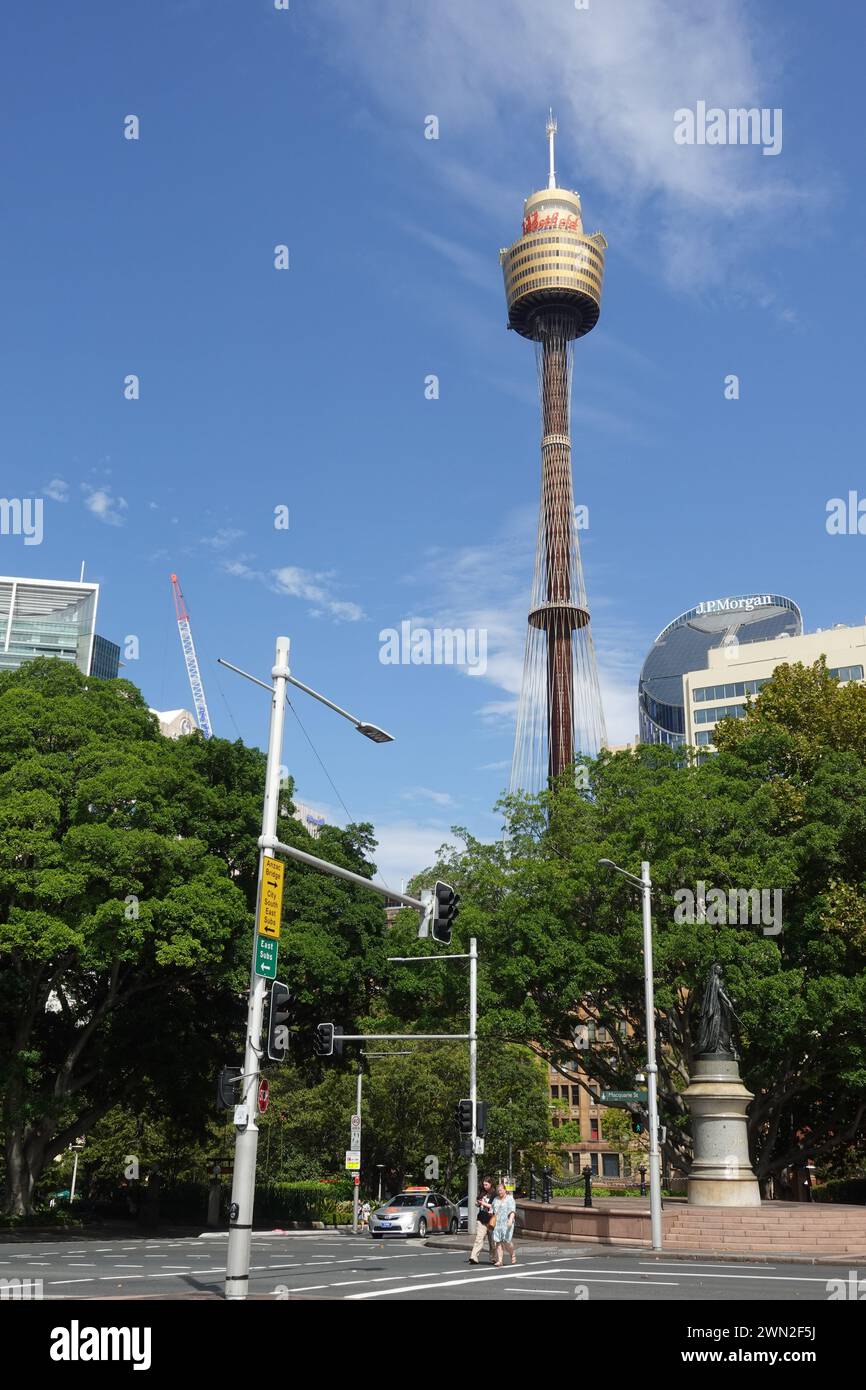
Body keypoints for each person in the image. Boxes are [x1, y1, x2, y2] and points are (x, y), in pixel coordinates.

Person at [468, 1176, 496, 1264]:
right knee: (479, 1238)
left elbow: (495, 1206)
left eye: (486, 1185)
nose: (484, 1186)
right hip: (481, 1219)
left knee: (492, 1241)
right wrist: (478, 1203)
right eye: (484, 1185)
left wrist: (484, 1203)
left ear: (491, 1184)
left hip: (491, 1220)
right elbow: (477, 1203)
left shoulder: (495, 1194)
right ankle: (474, 1257)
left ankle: (493, 1258)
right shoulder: (482, 1192)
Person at [492, 1181, 517, 1267]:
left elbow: (512, 1210)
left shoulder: (510, 1198)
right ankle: (500, 1261)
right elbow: (492, 1210)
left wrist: (510, 1219)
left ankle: (512, 1254)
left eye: (501, 1190)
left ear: (505, 1190)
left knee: (507, 1242)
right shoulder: (495, 1199)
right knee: (498, 1242)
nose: (499, 1192)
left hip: (507, 1223)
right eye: (498, 1190)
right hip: (498, 1224)